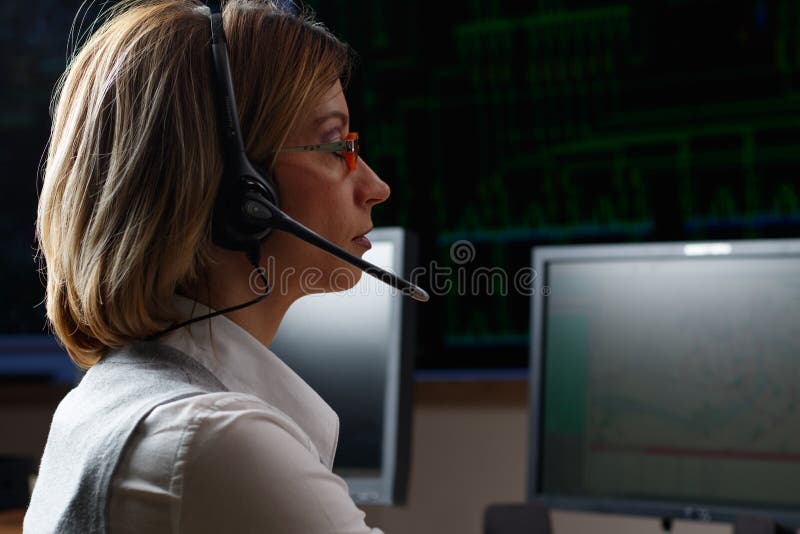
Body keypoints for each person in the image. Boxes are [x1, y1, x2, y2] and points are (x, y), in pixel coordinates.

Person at [25, 0, 391, 532]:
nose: (376, 188)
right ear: (243, 192)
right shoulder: (216, 440)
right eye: (336, 147)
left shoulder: (106, 401)